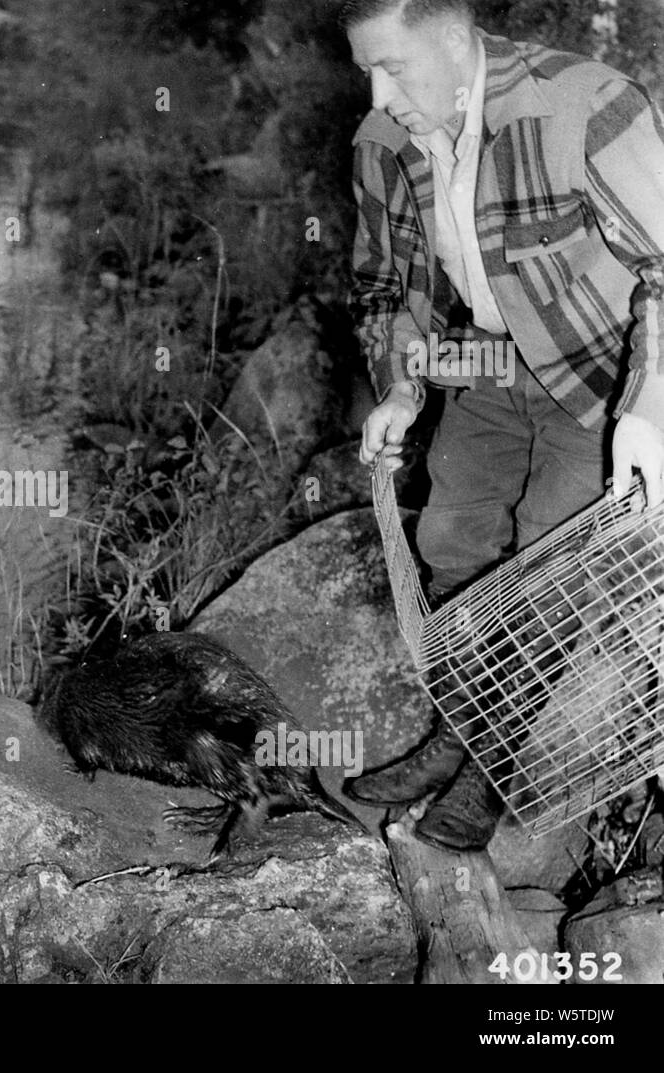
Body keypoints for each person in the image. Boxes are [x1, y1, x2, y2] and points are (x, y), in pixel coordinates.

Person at [340, 0, 664, 850]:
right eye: (366, 71)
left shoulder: (584, 104)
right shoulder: (383, 140)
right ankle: (458, 731)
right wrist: (400, 390)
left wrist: (647, 410)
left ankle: (489, 770)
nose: (379, 93)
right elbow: (385, 291)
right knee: (450, 539)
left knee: (544, 565)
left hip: (599, 376)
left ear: (454, 39)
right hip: (483, 362)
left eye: (395, 68)